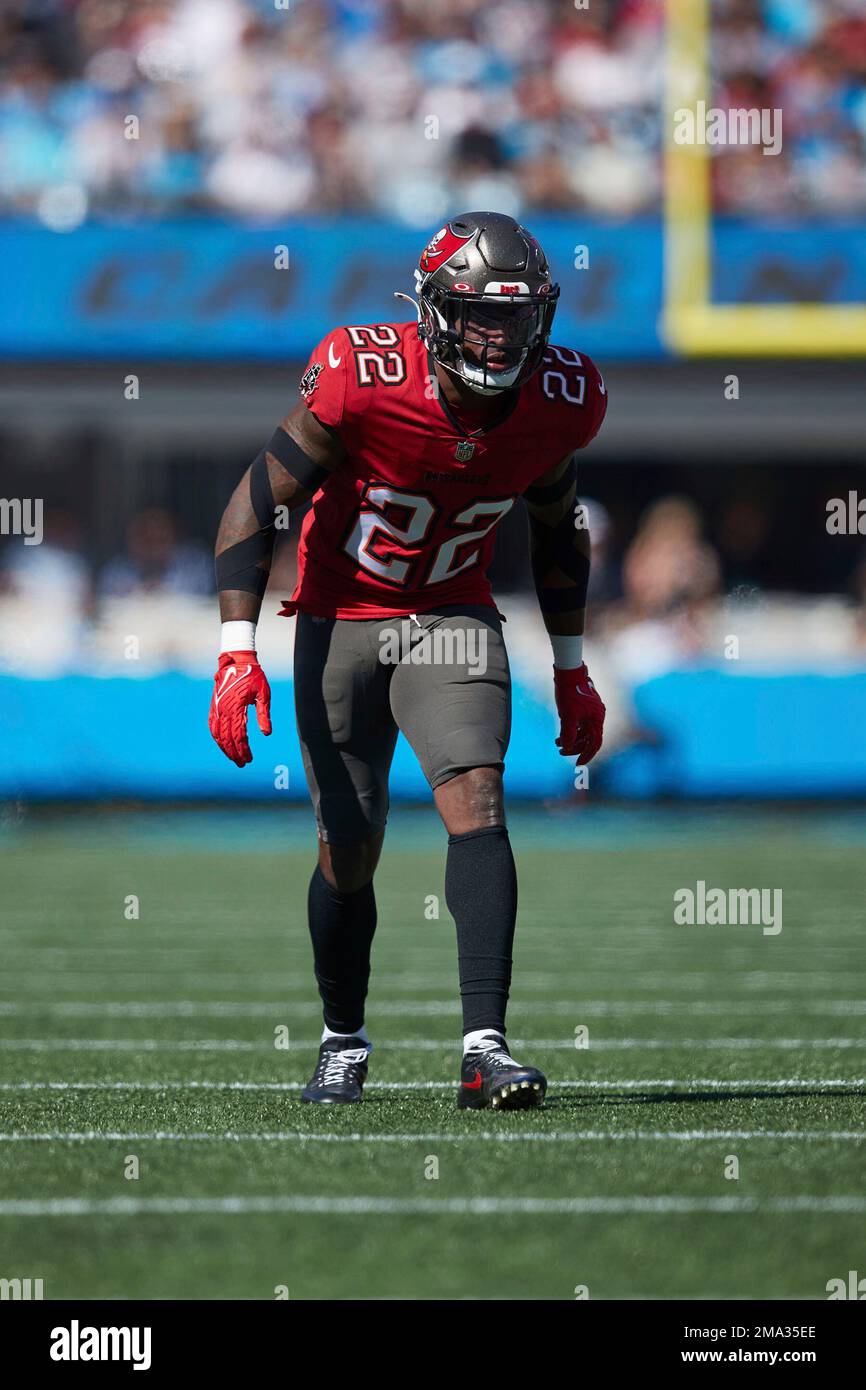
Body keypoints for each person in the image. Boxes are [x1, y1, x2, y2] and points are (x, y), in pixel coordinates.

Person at [208, 212, 607, 1109]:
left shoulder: (562, 396)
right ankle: (342, 1038)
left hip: (452, 614)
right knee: (347, 853)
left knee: (478, 798)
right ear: (434, 311)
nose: (498, 334)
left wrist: (572, 667)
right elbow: (253, 505)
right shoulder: (362, 378)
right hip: (340, 616)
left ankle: (484, 1050)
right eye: (479, 313)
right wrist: (237, 652)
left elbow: (558, 529)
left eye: (516, 314)